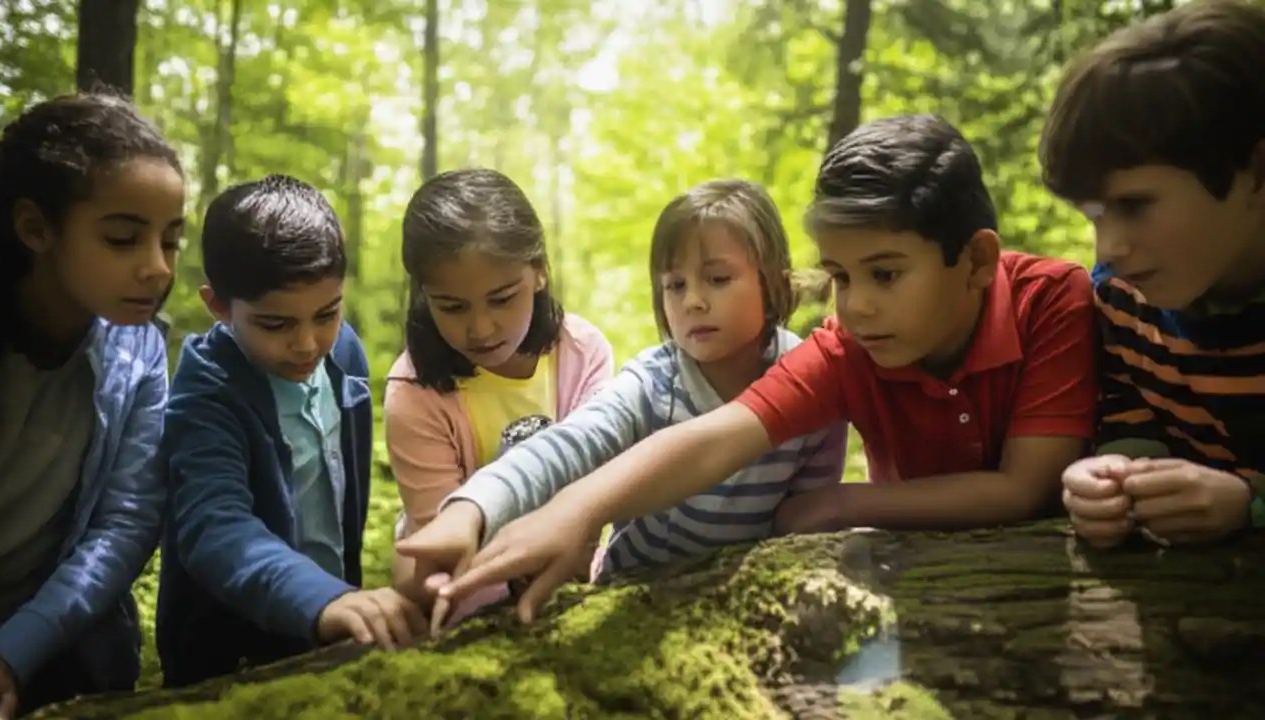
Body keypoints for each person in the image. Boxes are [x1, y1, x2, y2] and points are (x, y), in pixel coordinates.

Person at [431, 114, 1098, 623]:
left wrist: (843, 501)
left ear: (977, 262)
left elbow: (1024, 488)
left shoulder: (1053, 300)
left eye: (885, 274)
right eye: (838, 276)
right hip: (916, 588)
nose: (857, 307)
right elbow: (715, 437)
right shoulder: (845, 350)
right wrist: (555, 510)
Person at [397, 179, 847, 629]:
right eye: (674, 284)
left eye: (718, 279)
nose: (692, 300)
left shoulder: (811, 383)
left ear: (773, 281)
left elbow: (805, 517)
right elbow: (571, 443)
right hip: (632, 598)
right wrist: (471, 509)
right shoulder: (653, 383)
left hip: (746, 605)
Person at [155, 175, 423, 688]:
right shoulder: (207, 397)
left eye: (327, 314)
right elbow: (216, 528)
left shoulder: (343, 354)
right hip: (226, 659)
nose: (307, 343)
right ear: (218, 305)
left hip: (331, 631)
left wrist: (343, 600)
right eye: (275, 325)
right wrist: (321, 599)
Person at [0, 92, 184, 718]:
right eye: (123, 239)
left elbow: (125, 525)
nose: (157, 269)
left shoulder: (142, 352)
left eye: (171, 241)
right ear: (35, 228)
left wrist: (8, 653)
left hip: (60, 648)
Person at [1045, 0, 1265, 548]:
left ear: (1256, 171)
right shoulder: (1124, 300)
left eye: (1135, 205)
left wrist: (1249, 501)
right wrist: (1116, 476)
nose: (1110, 248)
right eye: (1092, 216)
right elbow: (1133, 414)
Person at [384, 168, 613, 595]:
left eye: (502, 299)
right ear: (424, 296)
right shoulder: (415, 392)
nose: (482, 329)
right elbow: (442, 545)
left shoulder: (582, 353)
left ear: (539, 271)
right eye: (452, 307)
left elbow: (596, 488)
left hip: (572, 560)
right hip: (465, 585)